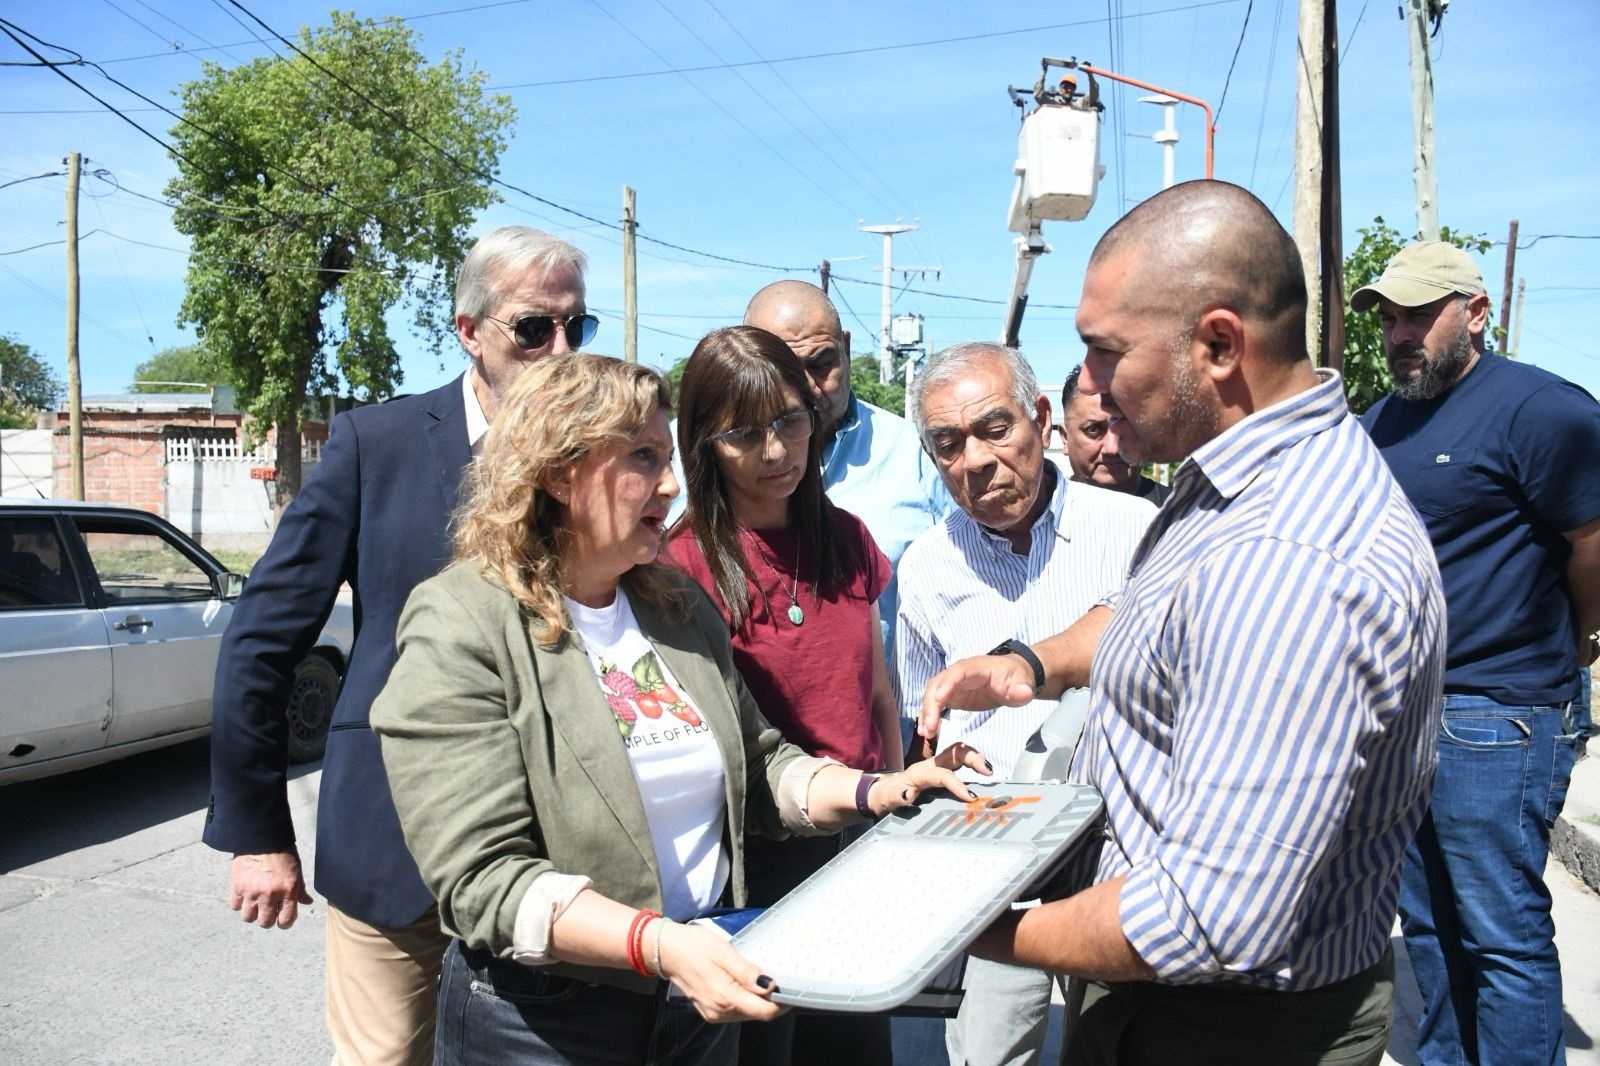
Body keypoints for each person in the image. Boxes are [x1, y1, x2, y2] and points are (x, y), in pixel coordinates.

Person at [913, 180, 1447, 1066]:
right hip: (1171, 1002)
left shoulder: (1291, 564)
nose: (1086, 385)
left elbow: (1202, 921)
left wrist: (964, 928)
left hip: (1228, 1025)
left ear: (1218, 345)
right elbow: (1156, 611)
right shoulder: (1241, 475)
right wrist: (1030, 665)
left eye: (1105, 352)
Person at [368, 353, 984, 1065]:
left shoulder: (672, 602)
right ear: (558, 473)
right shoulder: (461, 622)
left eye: (668, 457)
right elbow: (484, 880)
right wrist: (658, 945)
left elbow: (761, 762)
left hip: (696, 998)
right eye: (641, 458)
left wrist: (882, 789)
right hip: (545, 1024)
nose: (669, 483)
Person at [202, 226, 595, 1064]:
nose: (559, 351)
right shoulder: (372, 446)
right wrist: (257, 831)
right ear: (470, 330)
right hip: (393, 846)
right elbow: (263, 642)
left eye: (577, 328)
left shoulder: (597, 456)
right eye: (534, 328)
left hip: (553, 850)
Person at [1355, 241, 1600, 1066]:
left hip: (1499, 710)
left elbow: (1592, 539)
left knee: (1500, 936)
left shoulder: (1540, 410)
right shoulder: (1379, 423)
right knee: (1428, 928)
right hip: (1403, 711)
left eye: (1419, 315)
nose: (1399, 334)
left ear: (1477, 311)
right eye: (1389, 318)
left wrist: (1581, 636)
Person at [897, 341, 1155, 1066]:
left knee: (1118, 1040)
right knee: (991, 1053)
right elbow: (921, 725)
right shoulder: (925, 569)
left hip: (1122, 853)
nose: (975, 461)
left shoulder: (1132, 531)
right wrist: (938, 755)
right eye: (948, 444)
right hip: (996, 858)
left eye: (994, 430)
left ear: (1042, 420)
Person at [666, 325, 902, 1066]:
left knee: (855, 1049)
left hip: (856, 842)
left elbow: (879, 694)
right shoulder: (676, 565)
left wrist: (892, 811)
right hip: (751, 857)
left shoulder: (849, 537)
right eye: (742, 433)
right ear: (703, 442)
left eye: (788, 421)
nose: (775, 451)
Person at [742, 281, 952, 681]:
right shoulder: (691, 460)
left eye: (821, 363)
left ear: (847, 348)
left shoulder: (916, 455)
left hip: (892, 731)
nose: (805, 386)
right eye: (782, 370)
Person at [1056, 364, 1170, 506]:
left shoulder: (1182, 517)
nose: (1112, 449)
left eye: (1126, 427)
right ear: (1065, 437)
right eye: (1093, 430)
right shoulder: (1039, 520)